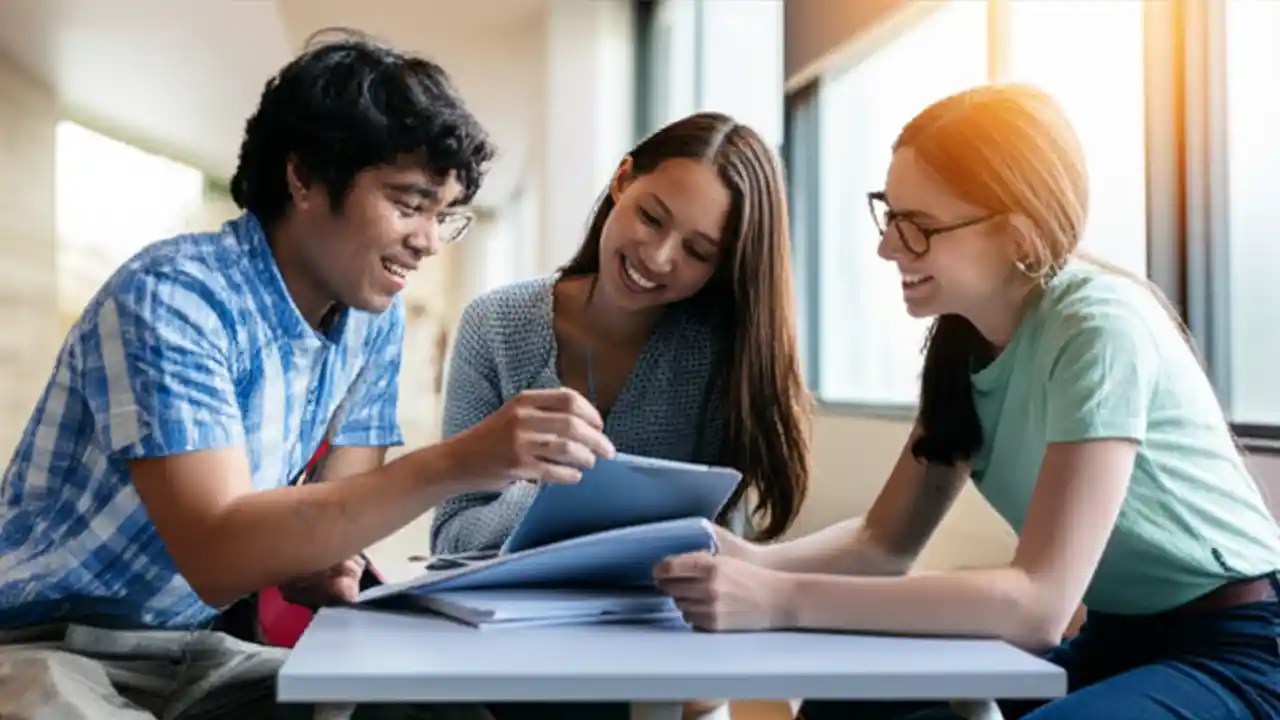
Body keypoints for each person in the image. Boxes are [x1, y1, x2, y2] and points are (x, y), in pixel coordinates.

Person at [0, 30, 614, 720]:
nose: (429, 241)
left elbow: (336, 518)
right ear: (305, 178)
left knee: (433, 712)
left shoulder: (370, 320)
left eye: (445, 216)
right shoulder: (175, 295)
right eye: (409, 205)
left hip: (186, 647)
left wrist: (322, 563)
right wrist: (461, 461)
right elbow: (218, 552)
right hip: (41, 641)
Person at [653, 83, 1280, 720]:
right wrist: (742, 561)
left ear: (1020, 236)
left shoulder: (1098, 327)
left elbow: (1039, 607)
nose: (887, 247)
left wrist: (779, 599)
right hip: (1118, 635)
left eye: (919, 227)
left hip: (1237, 648)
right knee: (842, 708)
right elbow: (883, 543)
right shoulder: (963, 339)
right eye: (888, 214)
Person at [430, 112, 812, 719]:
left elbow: (724, 561)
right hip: (509, 659)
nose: (657, 258)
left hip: (657, 665)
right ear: (622, 181)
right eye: (651, 217)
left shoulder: (719, 357)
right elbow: (449, 543)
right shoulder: (493, 325)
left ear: (724, 267)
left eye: (697, 251)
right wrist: (542, 489)